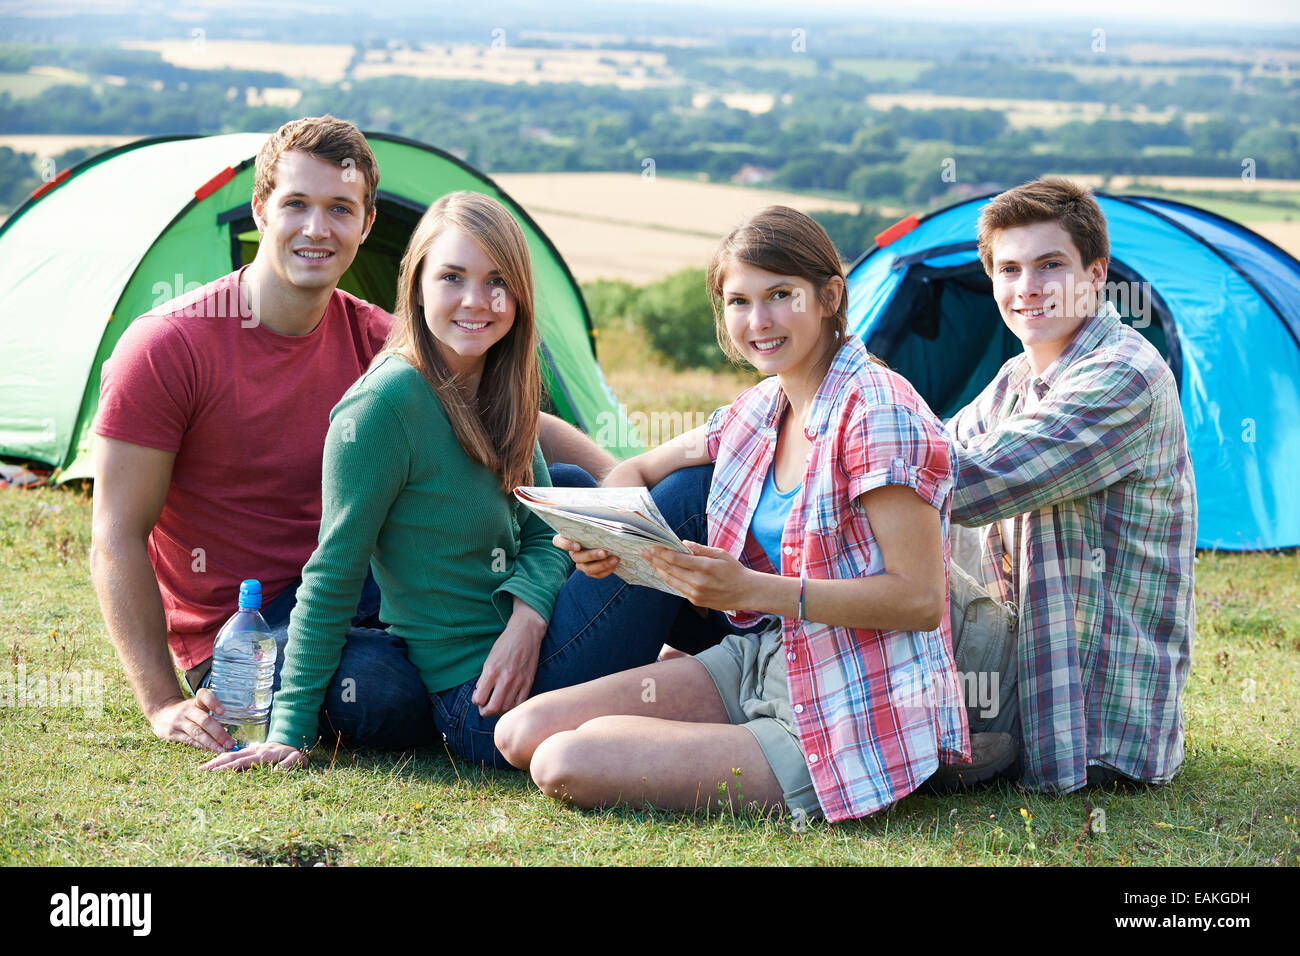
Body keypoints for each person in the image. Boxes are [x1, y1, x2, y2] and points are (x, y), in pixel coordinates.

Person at [89, 116, 614, 758]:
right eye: (297, 205)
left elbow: (508, 418)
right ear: (260, 208)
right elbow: (116, 535)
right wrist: (160, 701)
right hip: (250, 627)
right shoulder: (168, 347)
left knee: (572, 494)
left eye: (340, 208)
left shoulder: (376, 336)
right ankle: (503, 711)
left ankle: (556, 681)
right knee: (381, 692)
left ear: (367, 224)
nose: (318, 229)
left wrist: (623, 484)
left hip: (371, 578)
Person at [494, 207, 972, 823]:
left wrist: (750, 589)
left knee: (561, 762)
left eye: (780, 295)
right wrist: (607, 536)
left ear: (829, 297)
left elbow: (918, 599)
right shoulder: (762, 408)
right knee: (519, 731)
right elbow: (636, 469)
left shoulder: (877, 413)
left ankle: (917, 758)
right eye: (739, 301)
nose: (759, 320)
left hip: (846, 704)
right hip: (768, 659)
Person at [201, 192, 689, 773]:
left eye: (496, 281)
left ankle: (737, 667)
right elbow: (332, 575)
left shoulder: (500, 379)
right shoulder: (383, 407)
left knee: (575, 484)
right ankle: (760, 664)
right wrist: (289, 729)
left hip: (528, 645)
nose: (475, 301)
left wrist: (528, 622)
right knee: (682, 499)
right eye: (452, 277)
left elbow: (538, 525)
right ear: (418, 286)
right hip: (482, 703)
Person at [937, 177, 1196, 793]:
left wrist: (831, 475)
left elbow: (966, 483)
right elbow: (935, 445)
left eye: (1050, 265)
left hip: (1086, 725)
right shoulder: (1018, 377)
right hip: (1024, 674)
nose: (1027, 288)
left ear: (1095, 273)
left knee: (845, 541)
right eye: (1009, 269)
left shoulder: (1124, 375)